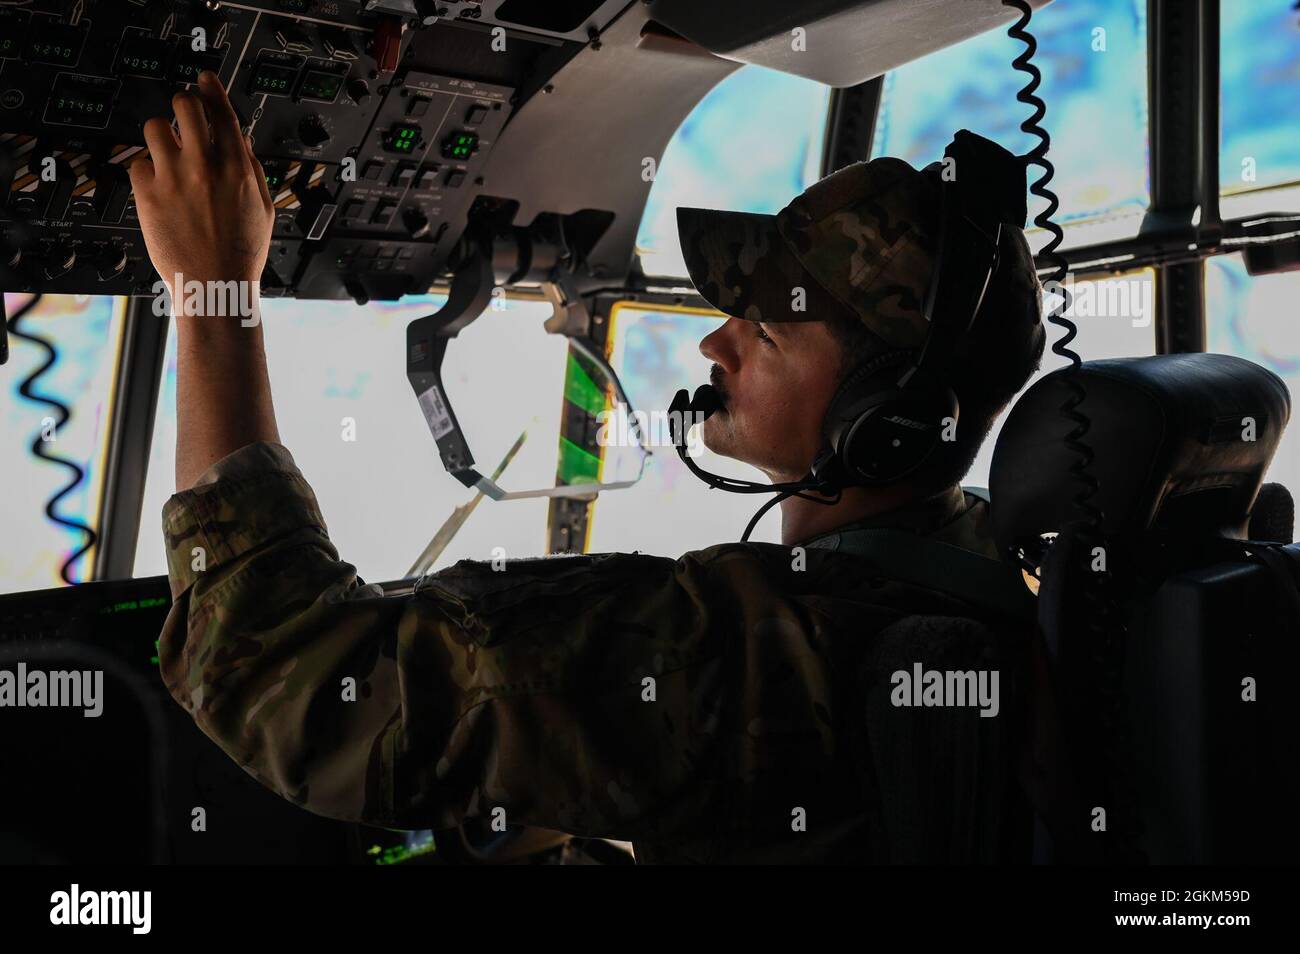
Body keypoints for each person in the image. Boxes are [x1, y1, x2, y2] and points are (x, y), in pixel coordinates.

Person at [138, 72, 1044, 864]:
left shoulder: (734, 656)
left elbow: (282, 672)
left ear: (885, 425)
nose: (715, 341)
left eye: (764, 331)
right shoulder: (996, 578)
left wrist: (212, 283)